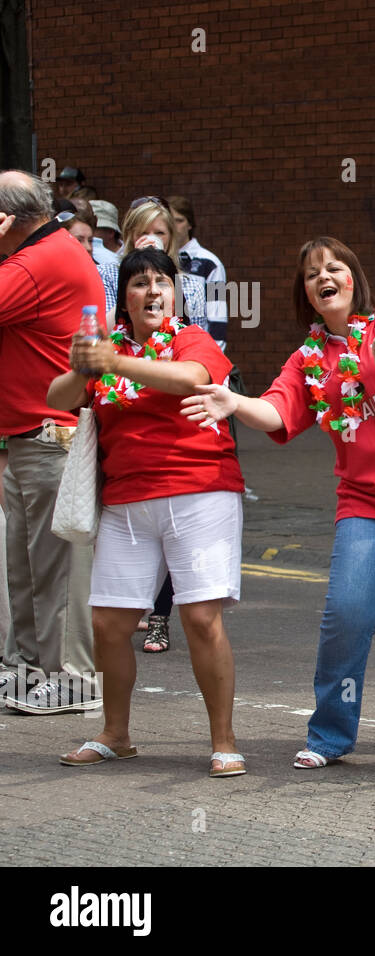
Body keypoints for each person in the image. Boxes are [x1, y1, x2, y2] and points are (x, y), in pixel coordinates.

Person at [183, 237, 375, 771]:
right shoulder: (307, 359)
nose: (324, 276)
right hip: (365, 503)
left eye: (334, 267)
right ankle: (330, 735)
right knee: (347, 614)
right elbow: (277, 412)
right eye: (311, 273)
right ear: (308, 296)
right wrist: (233, 402)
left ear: (352, 278)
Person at [47, 249, 246, 776]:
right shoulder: (108, 350)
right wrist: (82, 365)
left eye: (162, 282)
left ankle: (223, 741)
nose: (153, 291)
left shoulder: (190, 339)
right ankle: (116, 734)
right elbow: (57, 395)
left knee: (201, 618)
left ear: (176, 293)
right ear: (125, 298)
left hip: (200, 491)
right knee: (108, 623)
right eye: (140, 284)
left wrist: (113, 362)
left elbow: (189, 378)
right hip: (126, 501)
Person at [0, 170, 99, 714]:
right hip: (27, 434)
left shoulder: (37, 261)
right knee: (26, 566)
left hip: (47, 433)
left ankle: (72, 679)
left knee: (56, 568)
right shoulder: (37, 254)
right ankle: (28, 672)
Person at [97, 199, 206, 329]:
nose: (151, 239)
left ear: (170, 237)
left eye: (159, 233)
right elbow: (104, 331)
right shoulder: (107, 274)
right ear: (131, 236)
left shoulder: (191, 286)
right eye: (143, 233)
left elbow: (196, 337)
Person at [168, 196, 229, 349]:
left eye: (179, 220)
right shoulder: (158, 260)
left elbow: (217, 316)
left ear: (190, 224)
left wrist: (213, 361)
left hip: (197, 353)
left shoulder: (209, 263)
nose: (174, 226)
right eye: (169, 221)